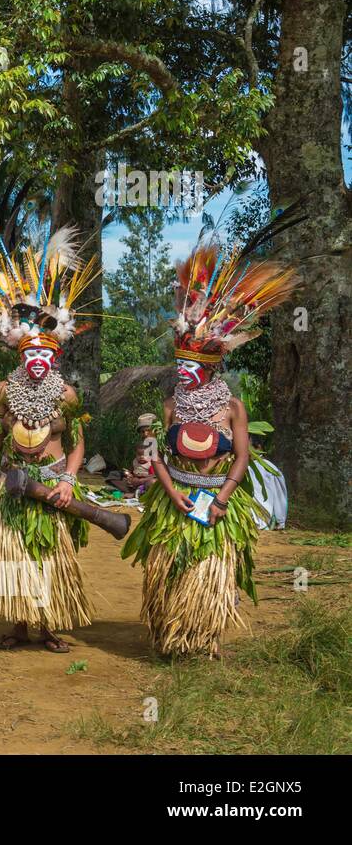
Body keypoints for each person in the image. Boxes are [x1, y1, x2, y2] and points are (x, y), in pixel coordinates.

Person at [121, 232, 300, 658]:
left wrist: (220, 500)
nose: (182, 372)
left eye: (190, 365)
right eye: (179, 363)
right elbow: (159, 457)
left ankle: (208, 637)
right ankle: (171, 633)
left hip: (216, 498)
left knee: (212, 567)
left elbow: (241, 457)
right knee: (171, 567)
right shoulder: (171, 405)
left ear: (211, 366)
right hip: (176, 498)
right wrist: (170, 491)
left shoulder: (231, 407)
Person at [0, 225, 97, 654]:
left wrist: (68, 479)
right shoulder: (3, 391)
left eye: (45, 354)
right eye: (30, 353)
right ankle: (19, 626)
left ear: (55, 354)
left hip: (51, 482)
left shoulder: (67, 395)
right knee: (14, 557)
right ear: (19, 354)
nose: (37, 361)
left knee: (48, 554)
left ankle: (47, 625)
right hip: (11, 483)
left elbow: (77, 443)